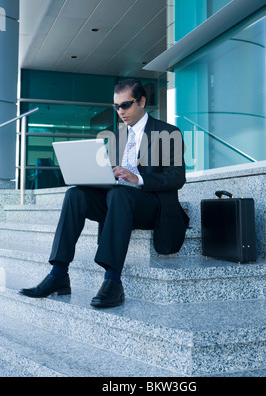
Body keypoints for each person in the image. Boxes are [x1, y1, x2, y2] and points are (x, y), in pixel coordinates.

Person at [19, 79, 189, 308]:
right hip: (120, 201)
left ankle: (113, 281)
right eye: (116, 106)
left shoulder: (168, 132)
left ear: (142, 101)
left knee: (119, 196)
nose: (121, 111)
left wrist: (136, 178)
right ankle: (58, 273)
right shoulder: (118, 136)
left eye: (126, 105)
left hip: (153, 205)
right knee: (75, 195)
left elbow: (177, 177)